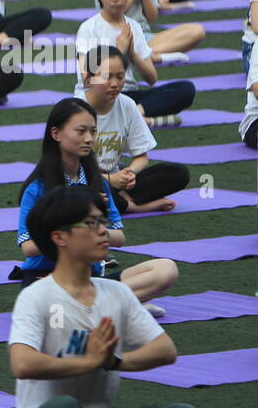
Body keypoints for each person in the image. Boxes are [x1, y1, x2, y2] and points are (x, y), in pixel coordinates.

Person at [6, 186, 197, 408]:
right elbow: (23, 364)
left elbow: (165, 350)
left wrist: (112, 361)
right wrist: (90, 361)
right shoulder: (36, 296)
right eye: (92, 224)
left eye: (103, 223)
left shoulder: (117, 293)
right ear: (60, 237)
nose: (104, 231)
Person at [14, 97, 179, 310]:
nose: (89, 138)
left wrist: (96, 228)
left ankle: (102, 307)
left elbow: (119, 237)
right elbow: (28, 247)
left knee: (166, 269)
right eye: (80, 131)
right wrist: (78, 224)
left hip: (90, 281)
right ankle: (116, 307)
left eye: (93, 131)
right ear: (56, 134)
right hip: (46, 280)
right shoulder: (37, 189)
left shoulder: (97, 181)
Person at [75, 0, 194, 123]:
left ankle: (135, 114)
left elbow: (151, 78)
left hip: (128, 95)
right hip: (98, 96)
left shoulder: (134, 27)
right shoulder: (89, 28)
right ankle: (142, 120)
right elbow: (88, 79)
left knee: (185, 89)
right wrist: (119, 51)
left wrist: (132, 53)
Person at [80, 45, 189, 215]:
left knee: (178, 173)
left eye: (120, 76)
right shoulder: (75, 110)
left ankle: (121, 200)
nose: (115, 84)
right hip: (85, 181)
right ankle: (134, 206)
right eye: (107, 77)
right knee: (86, 188)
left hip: (116, 181)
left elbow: (141, 158)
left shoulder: (127, 105)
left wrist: (128, 175)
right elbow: (71, 169)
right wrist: (110, 179)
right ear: (88, 79)